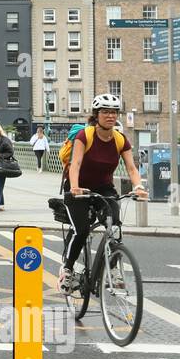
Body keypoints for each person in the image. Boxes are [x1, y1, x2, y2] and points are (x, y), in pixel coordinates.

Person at [60, 94, 148, 292]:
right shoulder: (86, 135)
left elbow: (132, 168)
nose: (110, 116)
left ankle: (114, 270)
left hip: (104, 188)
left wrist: (138, 187)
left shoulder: (119, 139)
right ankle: (67, 268)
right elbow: (76, 164)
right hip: (79, 187)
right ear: (96, 115)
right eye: (105, 112)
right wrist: (74, 187)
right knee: (81, 230)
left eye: (114, 112)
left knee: (115, 226)